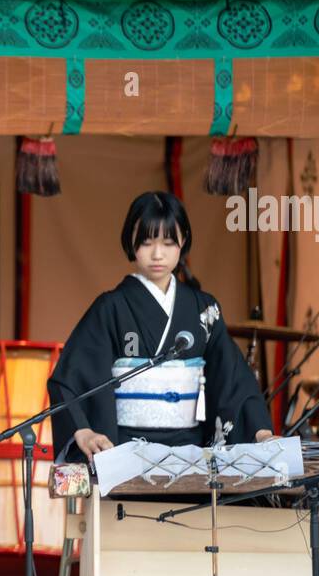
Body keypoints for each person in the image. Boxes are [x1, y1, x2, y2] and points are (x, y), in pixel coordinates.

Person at [49, 191, 274, 464]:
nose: (157, 254)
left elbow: (233, 379)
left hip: (190, 454)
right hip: (125, 453)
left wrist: (260, 432)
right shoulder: (111, 308)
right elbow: (71, 378)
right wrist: (82, 430)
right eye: (146, 242)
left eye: (168, 242)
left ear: (183, 242)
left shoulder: (204, 309)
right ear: (130, 243)